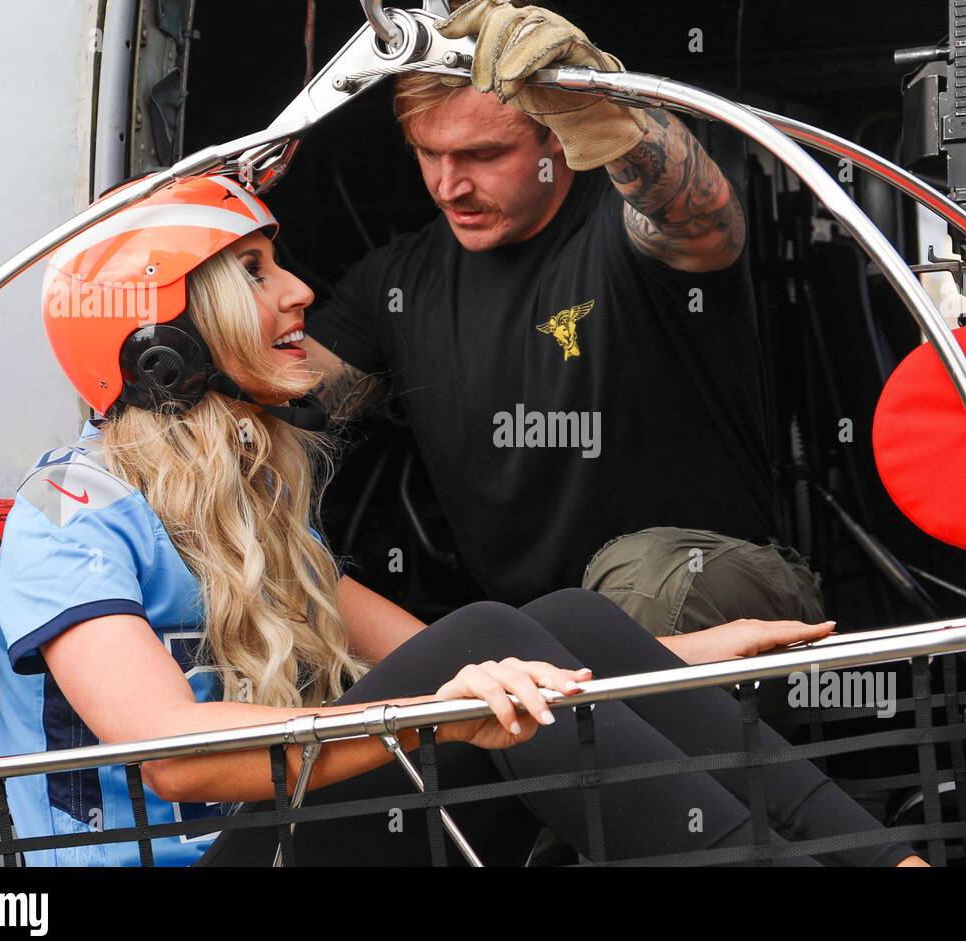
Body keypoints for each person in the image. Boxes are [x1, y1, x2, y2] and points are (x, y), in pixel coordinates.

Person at [0, 174, 923, 866]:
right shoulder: (70, 520)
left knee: (552, 621)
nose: (298, 291)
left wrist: (667, 665)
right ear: (162, 349)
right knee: (487, 642)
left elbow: (482, 652)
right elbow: (180, 764)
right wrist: (441, 715)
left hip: (270, 847)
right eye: (252, 272)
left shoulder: (249, 506)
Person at [302, 0, 824, 677]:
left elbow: (697, 215)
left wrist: (611, 113)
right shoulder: (395, 283)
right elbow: (286, 398)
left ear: (556, 137)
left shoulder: (628, 232)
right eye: (427, 154)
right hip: (544, 649)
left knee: (641, 580)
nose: (448, 185)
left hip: (731, 600)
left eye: (483, 155)